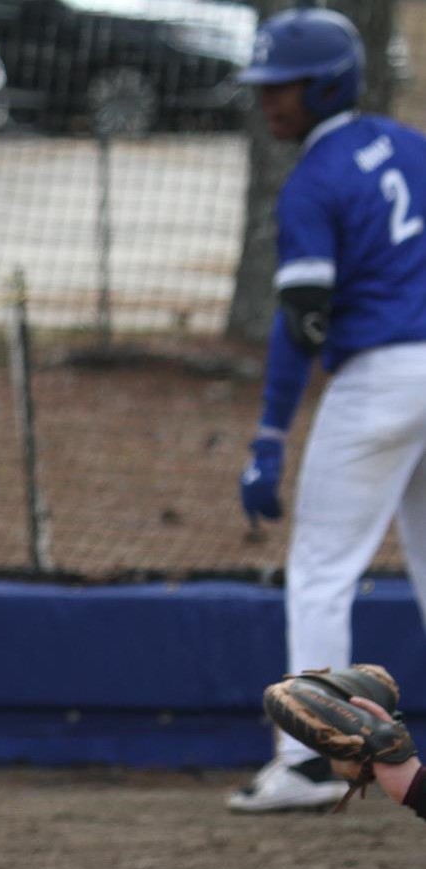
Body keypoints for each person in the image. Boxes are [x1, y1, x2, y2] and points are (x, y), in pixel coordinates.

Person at [229, 8, 426, 813]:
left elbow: (301, 320)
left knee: (319, 569)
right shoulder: (410, 146)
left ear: (326, 85)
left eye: (285, 86)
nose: (269, 101)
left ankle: (309, 763)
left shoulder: (312, 180)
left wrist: (269, 434)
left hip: (379, 379)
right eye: (264, 86)